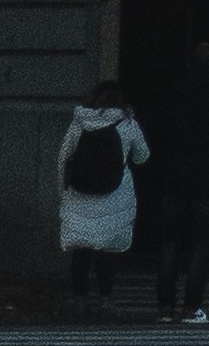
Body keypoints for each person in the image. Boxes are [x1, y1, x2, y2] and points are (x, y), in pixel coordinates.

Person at [143, 35, 209, 327]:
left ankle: (164, 307)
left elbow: (156, 131)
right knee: (201, 247)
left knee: (170, 244)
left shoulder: (172, 92)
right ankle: (191, 307)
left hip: (175, 178)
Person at [54, 77, 148, 317]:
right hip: (114, 194)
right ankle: (105, 299)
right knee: (107, 251)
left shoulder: (80, 122)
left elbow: (64, 156)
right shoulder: (127, 123)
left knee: (81, 249)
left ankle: (79, 299)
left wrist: (63, 191)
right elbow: (142, 156)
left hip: (79, 195)